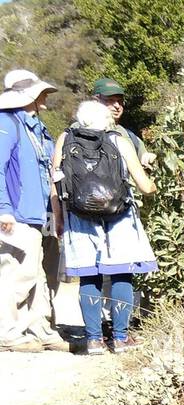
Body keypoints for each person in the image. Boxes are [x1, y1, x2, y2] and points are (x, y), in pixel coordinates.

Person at [53, 99, 156, 355]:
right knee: (122, 274)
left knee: (89, 276)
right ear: (106, 120)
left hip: (79, 216)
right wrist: (154, 187)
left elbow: (55, 181)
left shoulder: (65, 139)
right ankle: (120, 338)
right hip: (118, 216)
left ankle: (94, 340)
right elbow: (143, 184)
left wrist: (58, 218)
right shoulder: (119, 140)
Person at [0, 68, 70, 352]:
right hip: (16, 214)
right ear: (24, 97)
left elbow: (50, 172)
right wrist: (3, 208)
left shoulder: (38, 129)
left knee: (42, 274)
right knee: (18, 273)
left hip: (42, 214)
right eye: (40, 95)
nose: (44, 101)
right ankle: (8, 331)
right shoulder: (7, 124)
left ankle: (40, 328)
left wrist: (57, 212)